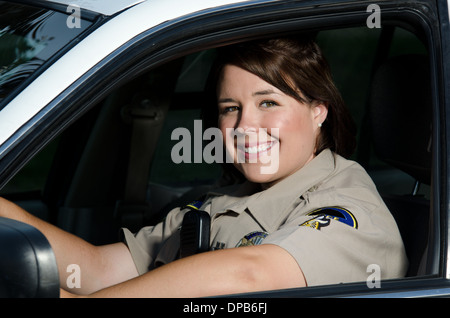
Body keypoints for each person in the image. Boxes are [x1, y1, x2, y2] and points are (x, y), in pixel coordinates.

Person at [0, 37, 408, 298]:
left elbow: (253, 274)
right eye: (231, 108)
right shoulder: (222, 201)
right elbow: (99, 269)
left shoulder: (352, 209)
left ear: (319, 111)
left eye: (268, 102)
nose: (244, 127)